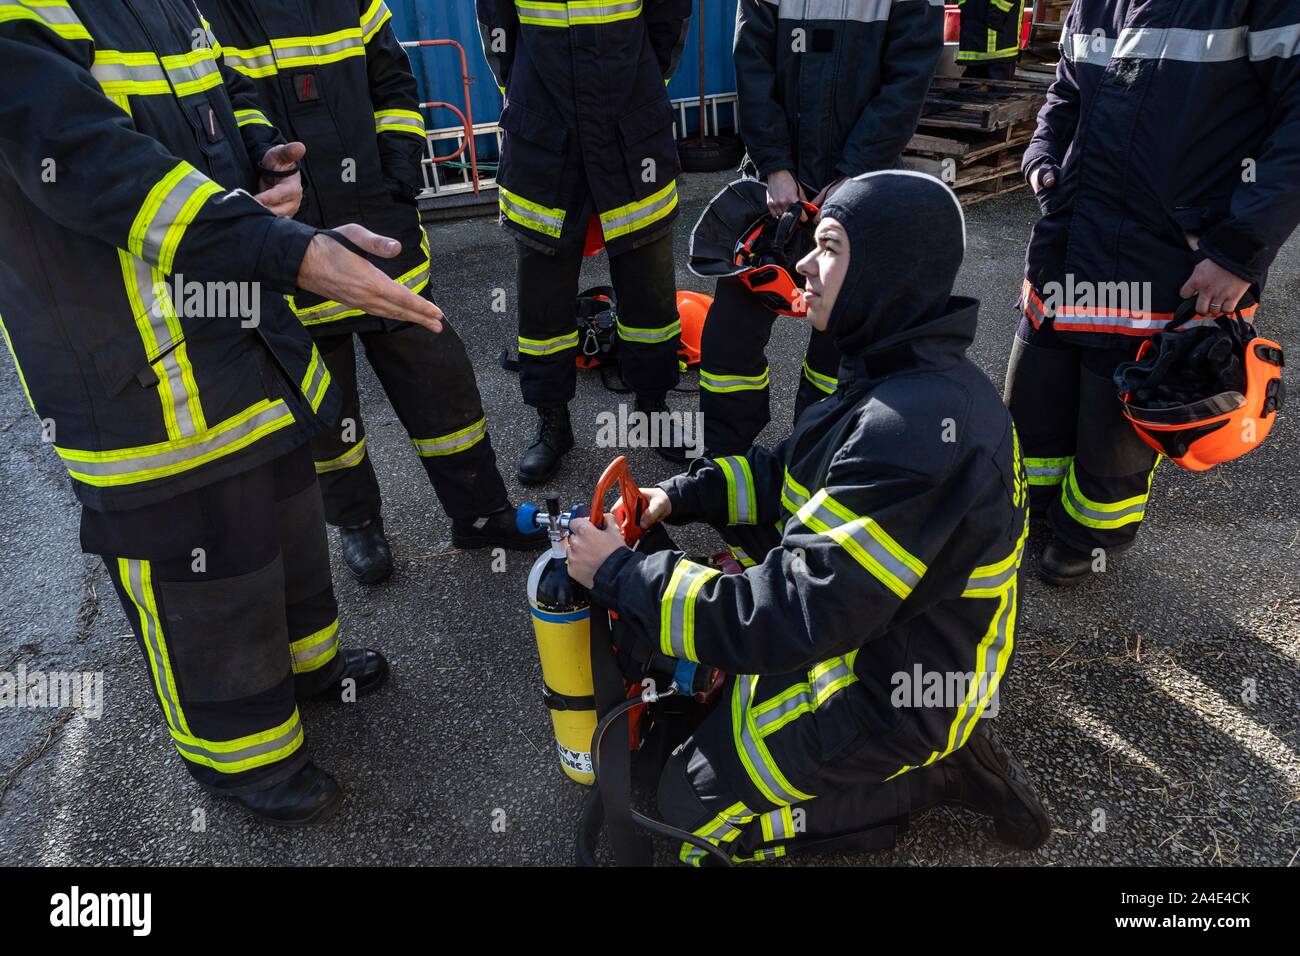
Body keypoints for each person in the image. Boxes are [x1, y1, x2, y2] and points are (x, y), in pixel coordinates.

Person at [0, 0, 440, 823]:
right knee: (203, 576)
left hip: (237, 344)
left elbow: (201, 124)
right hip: (137, 378)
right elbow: (93, 163)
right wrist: (293, 249)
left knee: (282, 529)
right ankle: (244, 762)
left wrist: (255, 164)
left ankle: (309, 670)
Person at [566, 172, 1050, 864]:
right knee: (697, 728)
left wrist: (622, 576)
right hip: (883, 640)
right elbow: (782, 475)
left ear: (887, 269)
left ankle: (930, 777)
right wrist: (677, 495)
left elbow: (790, 615)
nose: (802, 264)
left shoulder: (914, 430)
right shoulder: (893, 379)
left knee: (688, 816)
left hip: (892, 696)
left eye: (830, 247)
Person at [204, 0, 545, 587]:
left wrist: (398, 176)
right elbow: (224, 113)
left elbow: (392, 85)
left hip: (381, 227)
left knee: (440, 382)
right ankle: (358, 523)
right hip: (287, 246)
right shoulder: (210, 14)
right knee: (327, 406)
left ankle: (481, 512)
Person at [1008, 0, 1300, 585]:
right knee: (1034, 399)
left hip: (1167, 254)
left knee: (1113, 418)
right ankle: (1032, 515)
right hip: (1069, 242)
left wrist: (1237, 253)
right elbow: (1065, 92)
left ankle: (1090, 536)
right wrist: (1042, 156)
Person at [699, 0, 943, 456]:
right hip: (773, 190)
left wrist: (856, 174)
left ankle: (817, 458)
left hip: (863, 187)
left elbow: (908, 78)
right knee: (730, 338)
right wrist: (773, 165)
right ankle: (722, 461)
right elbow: (751, 63)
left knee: (839, 349)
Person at [475, 0, 693, 482]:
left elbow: (669, 18)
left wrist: (638, 85)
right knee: (543, 302)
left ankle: (652, 408)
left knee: (649, 290)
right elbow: (498, 31)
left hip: (630, 126)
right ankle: (553, 420)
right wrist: (527, 88)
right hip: (544, 127)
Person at [957, 0, 1025, 81]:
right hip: (978, 48)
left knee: (989, 90)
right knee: (971, 91)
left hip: (997, 49)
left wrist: (995, 15)